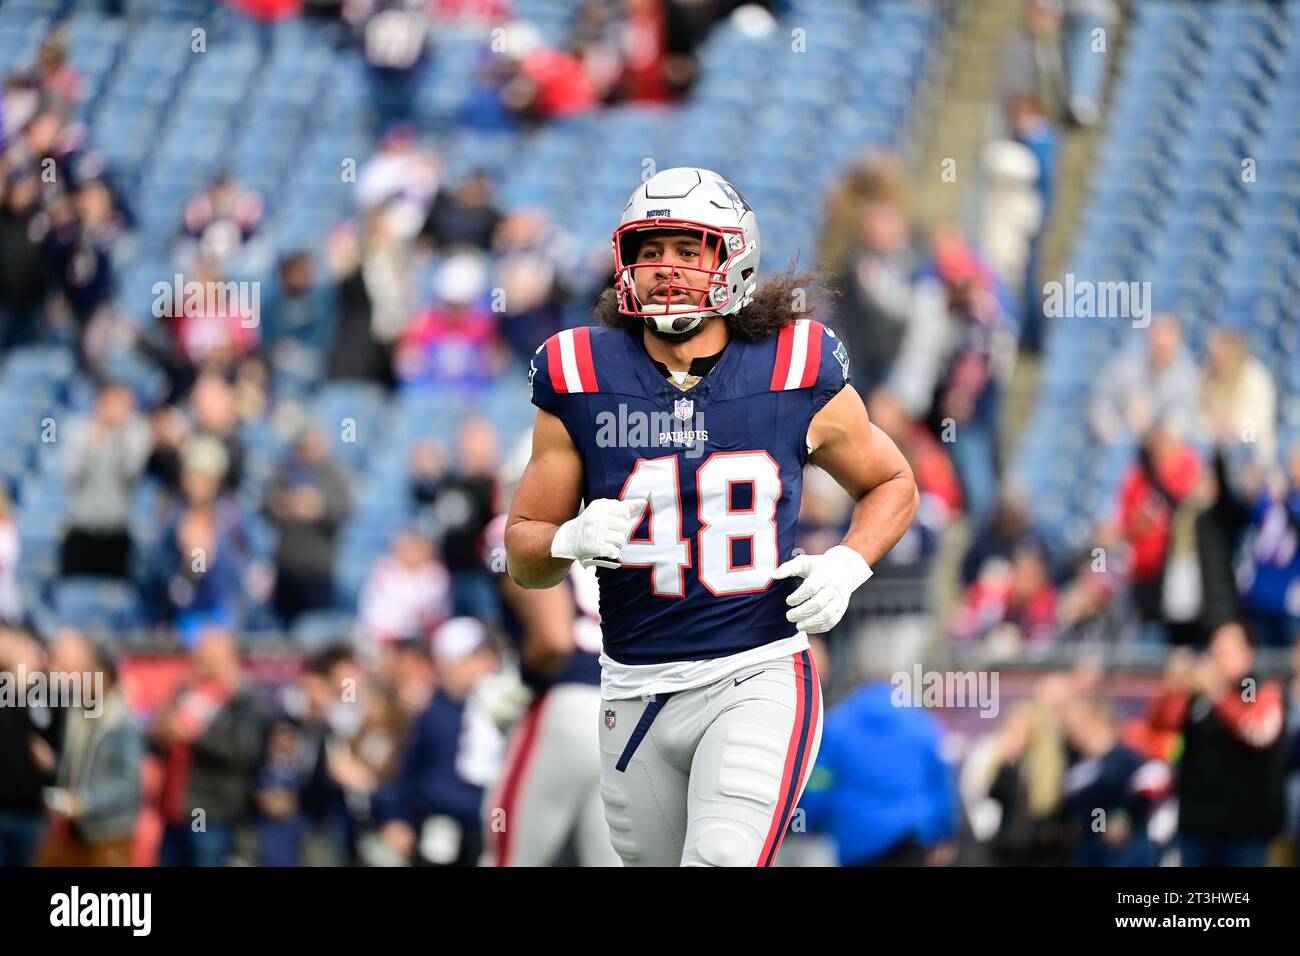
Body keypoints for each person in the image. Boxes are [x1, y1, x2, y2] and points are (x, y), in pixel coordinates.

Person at [504, 167, 919, 867]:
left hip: (753, 672)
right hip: (633, 690)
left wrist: (851, 562)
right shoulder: (580, 374)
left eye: (687, 249)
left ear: (732, 257)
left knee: (722, 858)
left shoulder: (794, 363)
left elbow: (893, 481)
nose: (666, 269)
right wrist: (569, 538)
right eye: (650, 249)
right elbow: (522, 552)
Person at [481, 489, 618, 866]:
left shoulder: (508, 532)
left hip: (564, 705)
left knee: (509, 855)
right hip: (620, 710)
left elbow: (553, 638)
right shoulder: (605, 526)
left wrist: (522, 682)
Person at [1148, 625, 1287, 866]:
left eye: (1228, 652)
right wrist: (1172, 687)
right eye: (1216, 652)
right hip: (1197, 825)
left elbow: (1257, 733)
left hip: (1245, 831)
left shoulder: (1257, 689)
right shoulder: (1197, 696)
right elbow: (1159, 727)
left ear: (1248, 654)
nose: (1219, 659)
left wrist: (1218, 693)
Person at [35, 631, 142, 867]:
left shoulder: (122, 721)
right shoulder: (77, 713)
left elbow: (127, 785)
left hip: (107, 834)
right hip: (68, 830)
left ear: (104, 676)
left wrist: (83, 803)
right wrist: (54, 765)